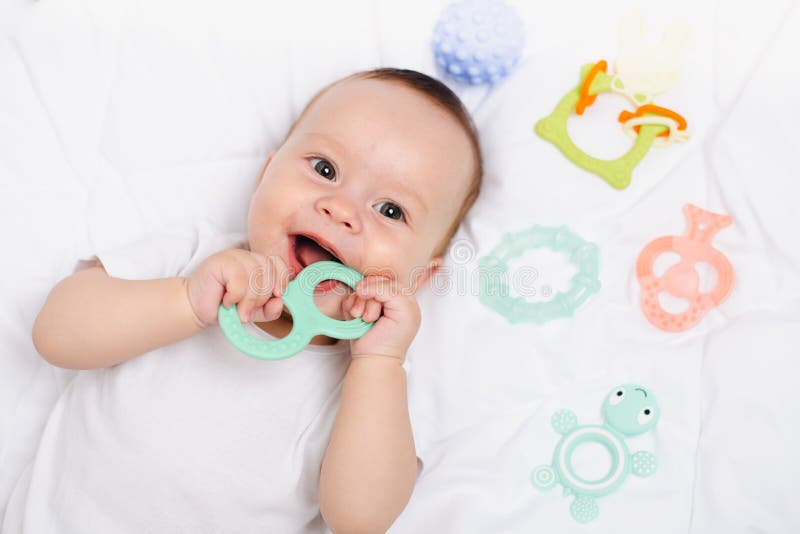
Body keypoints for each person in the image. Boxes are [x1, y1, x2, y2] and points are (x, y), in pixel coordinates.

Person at [9, 68, 482, 534]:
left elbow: (361, 520)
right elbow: (55, 334)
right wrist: (189, 303)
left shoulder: (375, 383)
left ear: (420, 277)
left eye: (391, 210)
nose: (341, 210)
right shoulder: (193, 257)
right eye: (325, 169)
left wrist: (380, 363)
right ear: (265, 173)